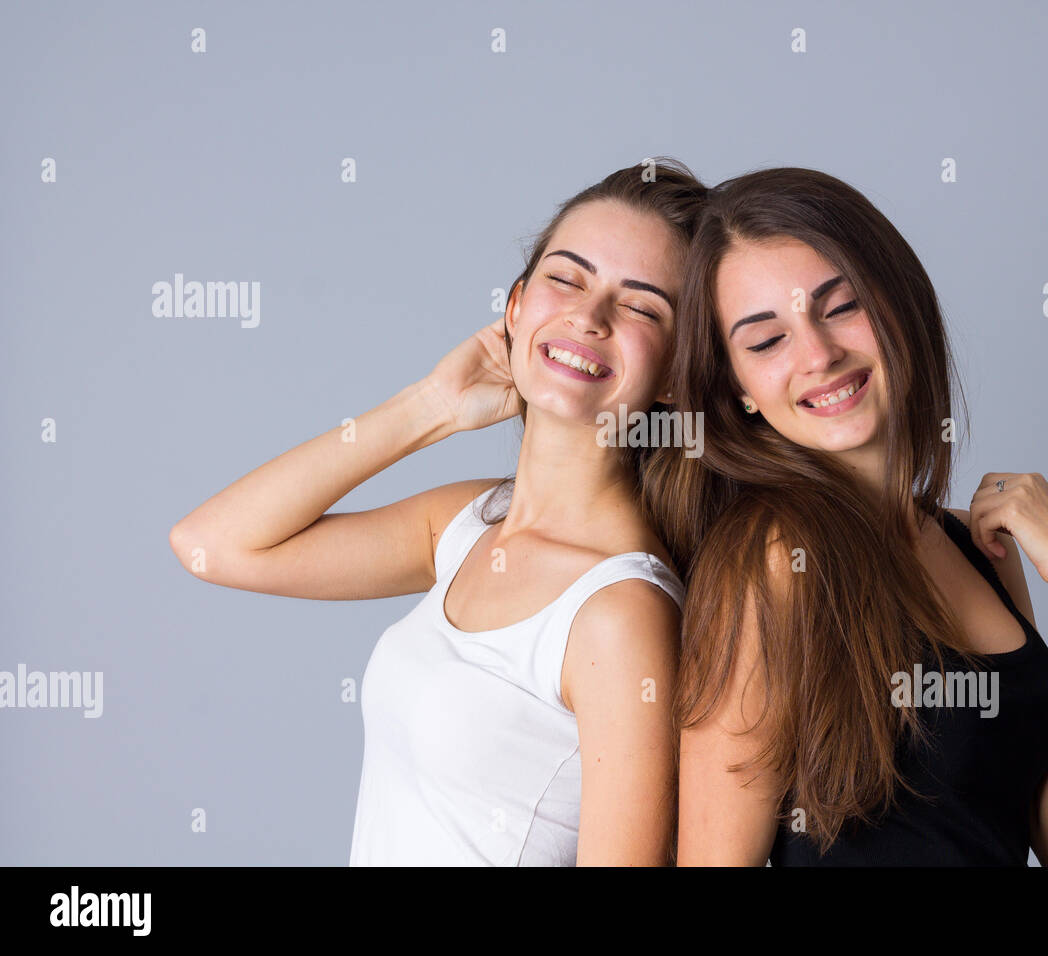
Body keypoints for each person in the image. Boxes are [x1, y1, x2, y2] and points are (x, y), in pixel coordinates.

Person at [169, 159, 708, 865]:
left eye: (640, 306)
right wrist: (432, 406)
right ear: (515, 308)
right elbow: (213, 544)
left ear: (675, 372)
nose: (589, 315)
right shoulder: (469, 524)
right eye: (566, 277)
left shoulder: (621, 613)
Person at [645, 167, 1048, 865]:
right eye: (766, 340)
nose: (818, 354)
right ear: (737, 388)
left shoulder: (971, 545)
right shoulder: (773, 560)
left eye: (840, 306)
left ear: (896, 301)